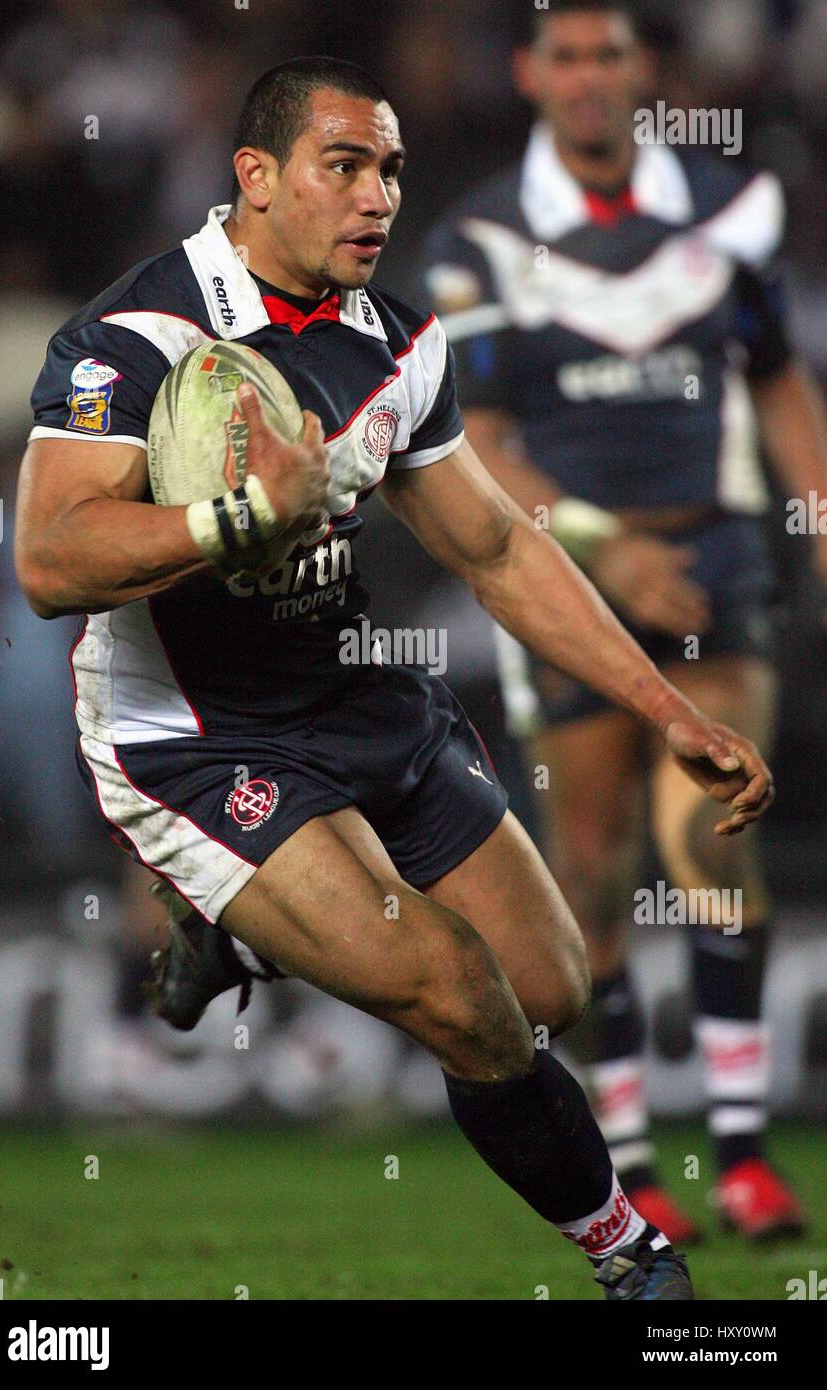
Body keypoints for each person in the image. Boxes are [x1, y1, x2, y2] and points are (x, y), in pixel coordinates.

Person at [16, 56, 775, 1299]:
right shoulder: (137, 335)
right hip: (200, 738)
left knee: (546, 991)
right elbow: (51, 557)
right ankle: (632, 1259)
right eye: (345, 166)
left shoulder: (400, 340)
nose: (377, 198)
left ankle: (232, 931)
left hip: (359, 699)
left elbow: (492, 546)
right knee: (460, 993)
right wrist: (240, 519)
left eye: (391, 171)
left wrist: (666, 706)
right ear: (255, 179)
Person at [423, 0, 826, 1241]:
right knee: (588, 880)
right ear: (527, 73)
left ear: (641, 70)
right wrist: (610, 553)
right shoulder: (480, 240)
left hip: (714, 555)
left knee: (707, 831)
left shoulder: (729, 209)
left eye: (608, 53)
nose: (589, 75)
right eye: (566, 54)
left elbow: (773, 376)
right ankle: (636, 1162)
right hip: (565, 577)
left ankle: (745, 1159)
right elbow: (474, 451)